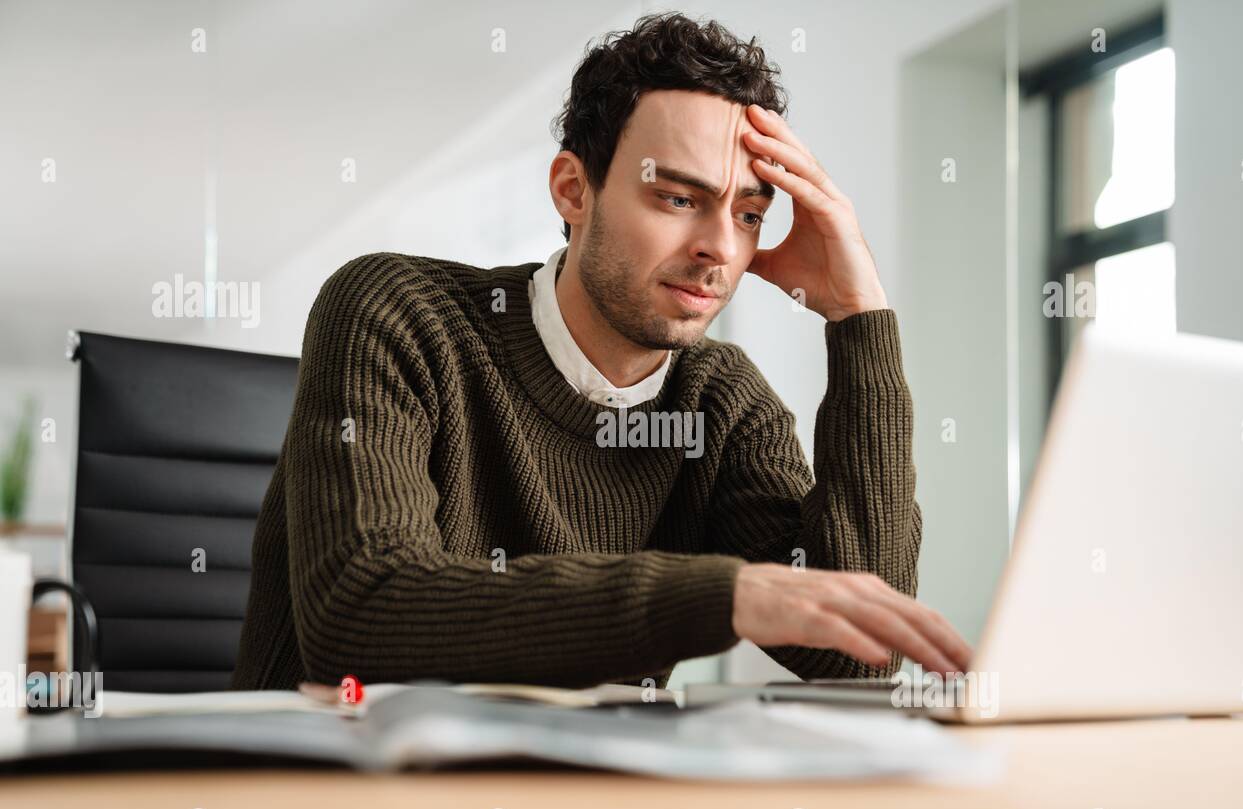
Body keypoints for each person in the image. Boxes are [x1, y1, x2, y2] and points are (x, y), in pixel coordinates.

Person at [230, 12, 969, 692]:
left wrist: (857, 316)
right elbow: (364, 614)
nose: (719, 247)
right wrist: (720, 596)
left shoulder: (721, 403)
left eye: (748, 214)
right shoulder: (397, 311)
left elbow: (857, 650)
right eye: (678, 198)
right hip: (326, 806)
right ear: (573, 189)